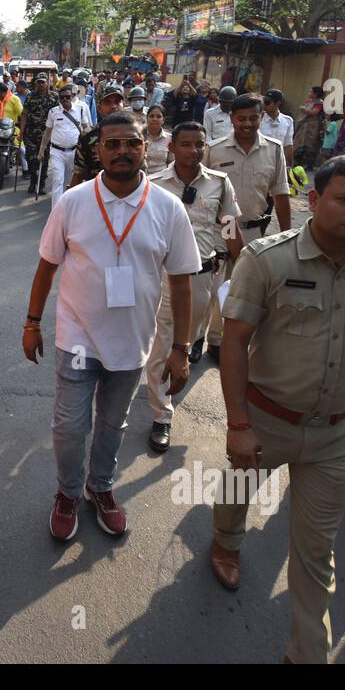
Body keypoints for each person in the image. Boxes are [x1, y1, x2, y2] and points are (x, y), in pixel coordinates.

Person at [212, 155, 345, 664]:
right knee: (234, 496)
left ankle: (306, 653)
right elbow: (234, 343)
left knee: (316, 553)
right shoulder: (266, 259)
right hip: (264, 421)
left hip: (338, 434)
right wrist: (237, 425)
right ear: (314, 201)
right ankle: (226, 542)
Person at [25, 111, 201, 538]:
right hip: (77, 338)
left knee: (112, 424)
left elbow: (181, 283)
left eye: (132, 142)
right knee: (69, 427)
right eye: (113, 143)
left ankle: (99, 487)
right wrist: (32, 323)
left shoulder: (168, 207)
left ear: (146, 147)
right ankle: (67, 493)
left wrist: (180, 349)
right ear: (98, 150)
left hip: (133, 343)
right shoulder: (74, 201)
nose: (122, 150)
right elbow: (47, 268)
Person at [145, 121, 242, 449]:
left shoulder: (220, 184)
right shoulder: (153, 184)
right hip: (161, 278)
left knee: (188, 337)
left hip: (203, 278)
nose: (194, 150)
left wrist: (242, 268)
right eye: (186, 144)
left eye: (200, 144)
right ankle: (161, 416)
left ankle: (186, 352)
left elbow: (228, 229)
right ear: (173, 148)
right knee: (163, 346)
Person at [201, 93, 292, 359]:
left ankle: (218, 341)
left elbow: (281, 193)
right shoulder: (215, 149)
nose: (248, 124)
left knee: (239, 289)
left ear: (262, 117)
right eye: (242, 119)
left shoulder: (274, 150)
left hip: (254, 232)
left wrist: (287, 234)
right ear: (232, 119)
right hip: (220, 229)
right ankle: (196, 337)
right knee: (211, 285)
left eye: (254, 118)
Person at [44, 84, 93, 205]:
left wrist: (88, 147)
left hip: (74, 152)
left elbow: (85, 128)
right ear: (59, 99)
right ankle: (56, 211)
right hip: (57, 152)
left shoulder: (80, 109)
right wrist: (41, 150)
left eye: (67, 97)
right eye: (62, 98)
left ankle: (67, 206)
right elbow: (47, 132)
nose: (65, 100)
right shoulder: (53, 112)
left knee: (70, 181)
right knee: (58, 180)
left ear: (72, 96)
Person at [19, 76, 52, 194]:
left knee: (44, 159)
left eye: (43, 82)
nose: (41, 85)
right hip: (31, 133)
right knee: (31, 158)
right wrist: (21, 131)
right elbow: (24, 114)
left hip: (47, 134)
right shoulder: (30, 96)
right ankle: (33, 181)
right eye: (39, 82)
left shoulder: (54, 97)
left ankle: (41, 183)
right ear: (36, 84)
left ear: (47, 83)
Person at [261, 89, 295, 169]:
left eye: (268, 102)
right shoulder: (259, 119)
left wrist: (289, 166)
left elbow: (288, 145)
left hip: (278, 163)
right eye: (264, 102)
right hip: (260, 161)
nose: (264, 105)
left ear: (278, 103)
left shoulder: (287, 121)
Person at [296, 86, 327, 167]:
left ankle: (309, 164)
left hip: (312, 126)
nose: (309, 93)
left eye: (311, 92)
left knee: (310, 144)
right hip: (304, 125)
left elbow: (314, 112)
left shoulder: (319, 103)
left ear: (316, 94)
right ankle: (299, 161)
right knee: (300, 142)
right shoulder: (310, 101)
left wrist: (304, 109)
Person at [144, 104, 171, 172]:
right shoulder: (140, 136)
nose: (154, 119)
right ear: (147, 118)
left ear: (163, 120)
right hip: (142, 176)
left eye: (158, 116)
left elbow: (172, 163)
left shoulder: (170, 139)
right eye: (151, 116)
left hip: (162, 177)